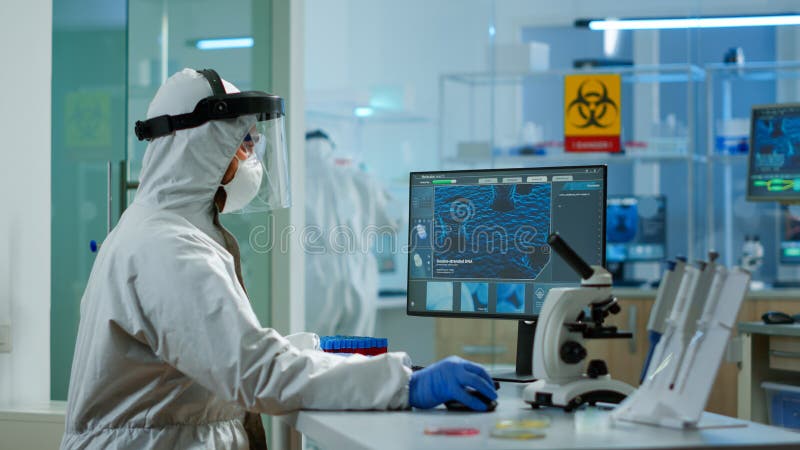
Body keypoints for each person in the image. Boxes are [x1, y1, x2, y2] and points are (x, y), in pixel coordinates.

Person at [60, 68, 496, 450]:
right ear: (204, 145)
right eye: (244, 143)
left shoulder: (153, 229)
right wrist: (405, 384)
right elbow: (256, 372)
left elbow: (220, 351)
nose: (253, 158)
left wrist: (313, 350)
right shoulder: (171, 249)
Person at [304, 131, 392, 336]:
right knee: (357, 353)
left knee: (312, 351)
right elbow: (393, 222)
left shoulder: (296, 177)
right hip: (360, 271)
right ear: (330, 144)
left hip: (317, 274)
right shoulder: (359, 176)